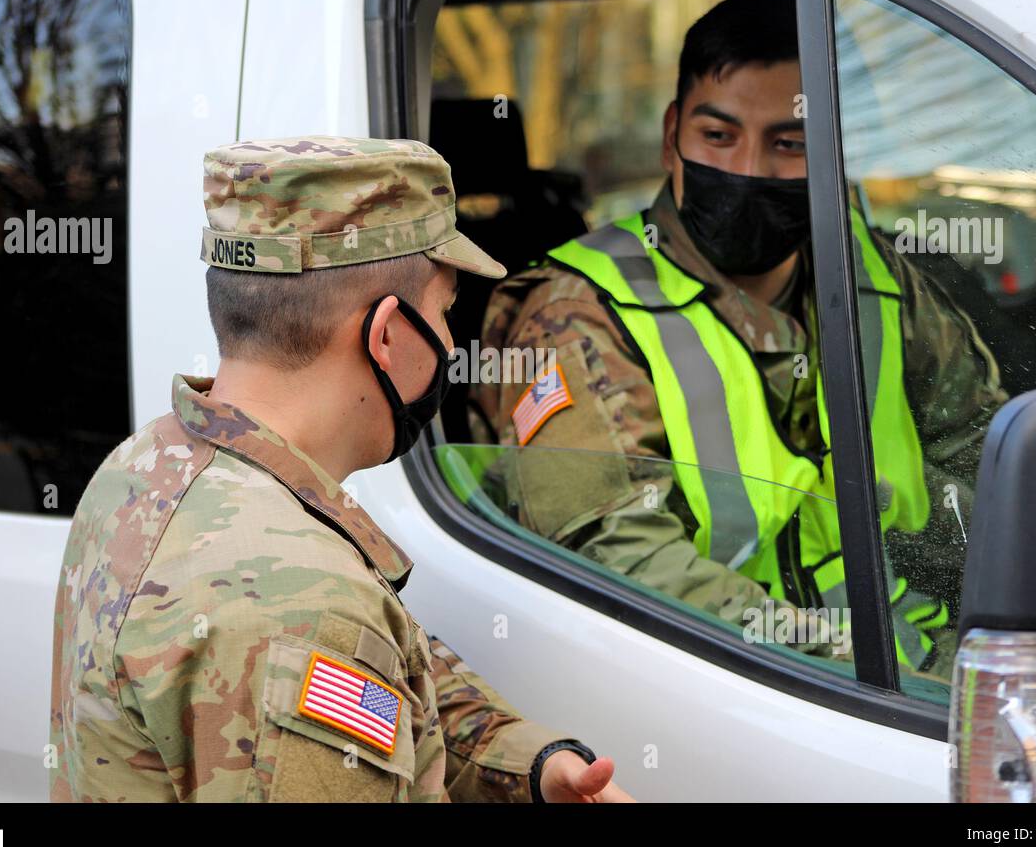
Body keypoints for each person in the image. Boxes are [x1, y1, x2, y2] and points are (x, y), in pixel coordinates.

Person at [49, 135, 630, 802]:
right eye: (444, 314)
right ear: (387, 334)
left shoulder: (147, 464)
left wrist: (530, 764)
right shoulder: (302, 599)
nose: (448, 342)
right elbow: (321, 650)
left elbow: (375, 681)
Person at [470, 0, 1007, 676]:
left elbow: (984, 461)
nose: (748, 171)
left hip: (923, 667)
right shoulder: (579, 309)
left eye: (788, 144)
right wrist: (853, 660)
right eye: (718, 136)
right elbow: (617, 555)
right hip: (734, 681)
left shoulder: (874, 275)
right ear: (672, 138)